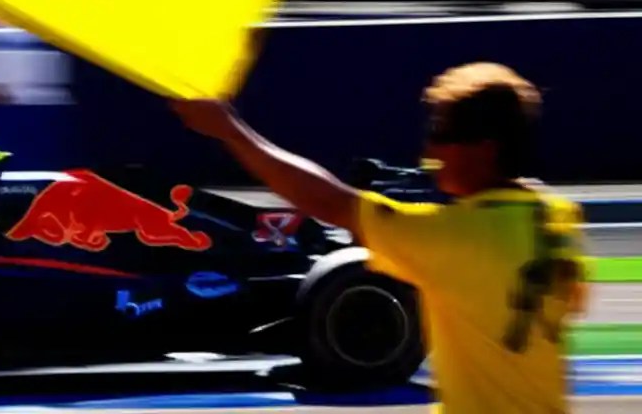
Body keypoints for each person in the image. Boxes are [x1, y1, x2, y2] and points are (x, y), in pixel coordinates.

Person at [171, 62, 588, 413]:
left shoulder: (453, 236)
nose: (431, 150)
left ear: (484, 148)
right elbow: (575, 298)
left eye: (442, 135)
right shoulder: (558, 219)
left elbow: (332, 203)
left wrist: (230, 130)